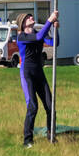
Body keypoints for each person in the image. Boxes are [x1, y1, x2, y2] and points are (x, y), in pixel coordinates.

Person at [17, 11, 59, 148]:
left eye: (31, 16)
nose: (31, 17)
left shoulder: (37, 33)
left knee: (50, 106)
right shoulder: (22, 36)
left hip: (39, 73)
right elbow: (39, 36)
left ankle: (51, 136)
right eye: (28, 17)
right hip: (27, 73)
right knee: (33, 106)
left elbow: (55, 42)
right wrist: (49, 20)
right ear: (23, 23)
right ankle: (27, 140)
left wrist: (55, 28)